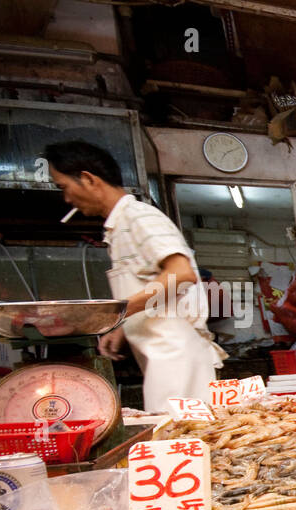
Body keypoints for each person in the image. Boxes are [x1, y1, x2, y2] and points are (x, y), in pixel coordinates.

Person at [45, 140, 226, 410]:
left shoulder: (139, 217)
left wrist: (116, 313)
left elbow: (181, 273)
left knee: (179, 438)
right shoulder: (118, 228)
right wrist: (122, 327)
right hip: (162, 357)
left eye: (63, 187)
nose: (67, 198)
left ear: (87, 179)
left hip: (177, 357)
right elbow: (151, 285)